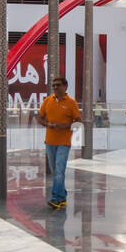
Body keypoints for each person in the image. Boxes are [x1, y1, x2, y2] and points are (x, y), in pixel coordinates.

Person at [37, 76, 81, 209]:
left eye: (58, 85)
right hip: (50, 141)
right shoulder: (47, 101)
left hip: (64, 142)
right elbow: (39, 118)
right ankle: (62, 195)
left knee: (59, 170)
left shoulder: (71, 102)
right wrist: (47, 124)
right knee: (55, 170)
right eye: (54, 85)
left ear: (65, 87)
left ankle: (56, 198)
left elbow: (78, 122)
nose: (55, 87)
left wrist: (64, 126)